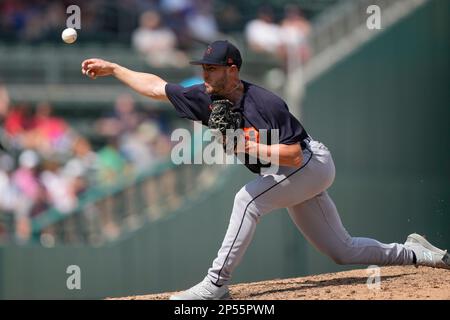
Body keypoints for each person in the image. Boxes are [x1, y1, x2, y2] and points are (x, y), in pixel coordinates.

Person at [81, 40, 450, 300]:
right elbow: (157, 87)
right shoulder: (205, 96)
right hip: (284, 175)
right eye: (203, 68)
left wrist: (250, 145)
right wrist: (114, 68)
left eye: (211, 68)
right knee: (341, 249)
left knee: (247, 200)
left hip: (310, 163)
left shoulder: (265, 102)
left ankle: (215, 284)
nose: (204, 74)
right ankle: (416, 253)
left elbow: (291, 154)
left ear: (232, 69)